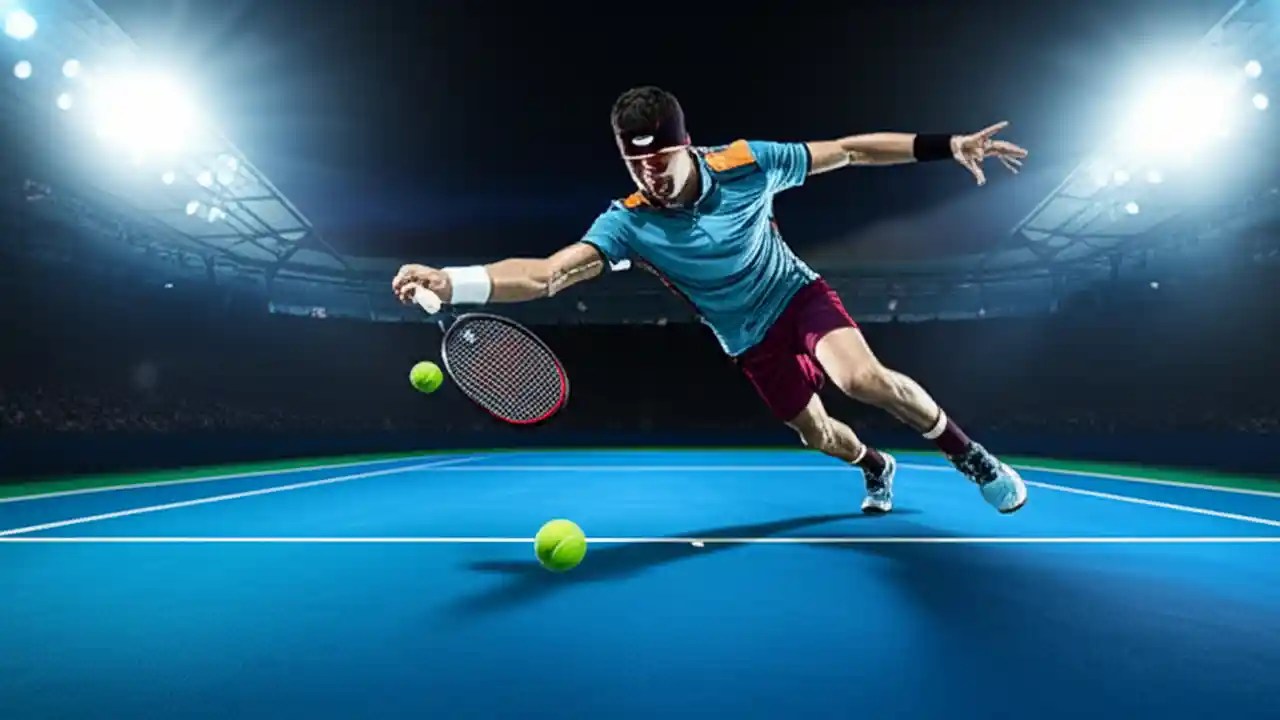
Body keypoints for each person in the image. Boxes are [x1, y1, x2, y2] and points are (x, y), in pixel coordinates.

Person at [392, 86, 1030, 515]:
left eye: (660, 159)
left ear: (684, 143)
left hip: (795, 295)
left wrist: (947, 145)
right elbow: (548, 276)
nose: (649, 175)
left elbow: (851, 150)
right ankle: (875, 463)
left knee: (861, 379)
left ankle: (967, 454)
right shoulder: (628, 222)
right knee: (818, 437)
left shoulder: (746, 163)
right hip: (746, 339)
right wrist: (453, 280)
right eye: (634, 164)